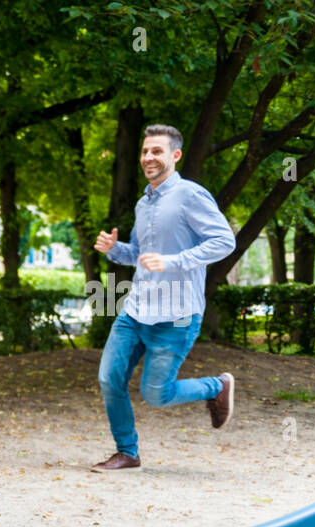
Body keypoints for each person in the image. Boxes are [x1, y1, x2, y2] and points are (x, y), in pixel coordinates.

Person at [92, 123, 237, 471]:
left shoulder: (191, 195)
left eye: (156, 151)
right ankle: (127, 452)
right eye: (144, 151)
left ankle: (216, 386)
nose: (148, 157)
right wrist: (116, 250)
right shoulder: (144, 204)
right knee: (109, 378)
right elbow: (140, 255)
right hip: (136, 309)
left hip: (177, 315)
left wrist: (175, 260)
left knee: (156, 394)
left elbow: (224, 241)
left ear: (175, 155)